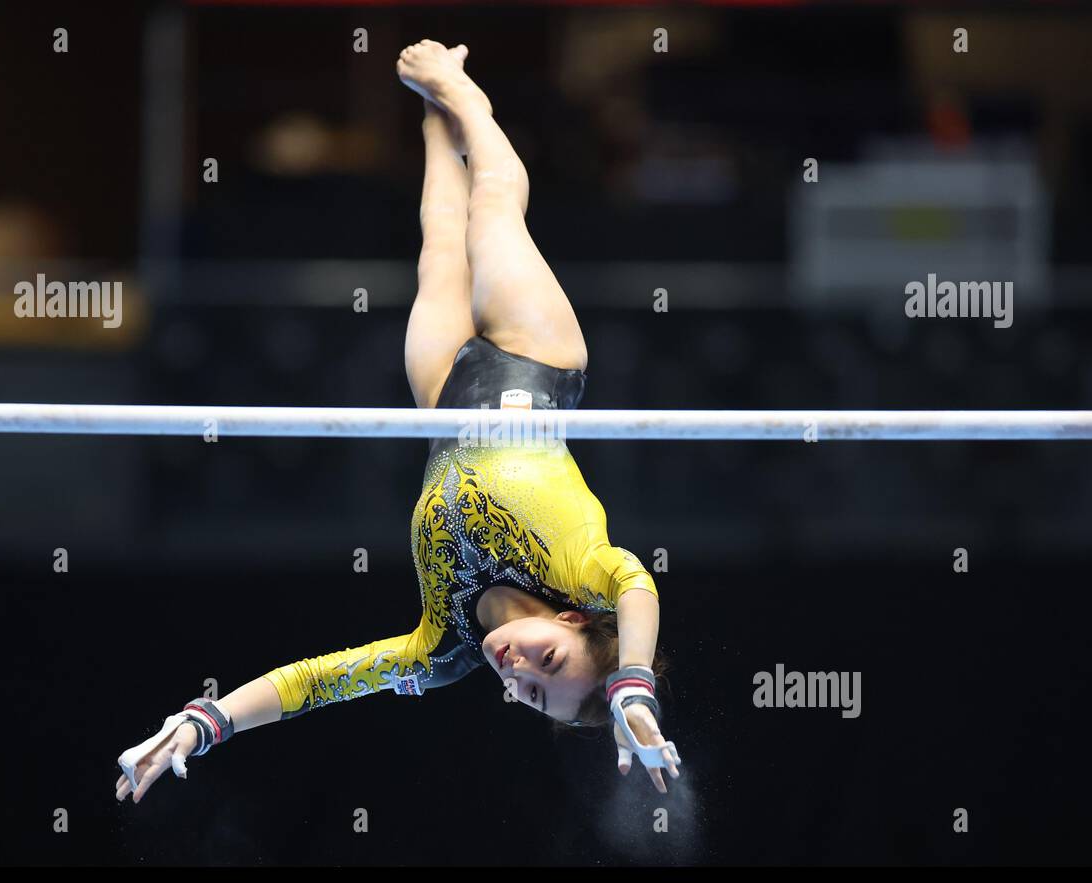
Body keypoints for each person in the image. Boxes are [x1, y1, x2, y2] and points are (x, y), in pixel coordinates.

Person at [115, 41, 680, 807]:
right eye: (549, 661)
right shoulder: (582, 568)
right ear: (573, 618)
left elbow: (316, 682)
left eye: (530, 694)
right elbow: (638, 583)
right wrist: (633, 692)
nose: (517, 670)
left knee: (440, 240)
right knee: (491, 209)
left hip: (446, 395)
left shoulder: (441, 646)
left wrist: (202, 722)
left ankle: (428, 109)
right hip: (533, 361)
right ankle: (460, 88)